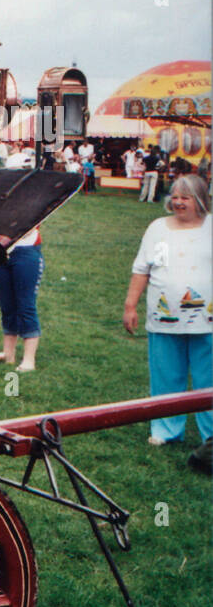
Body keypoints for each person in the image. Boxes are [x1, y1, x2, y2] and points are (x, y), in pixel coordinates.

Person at [123, 174, 212, 446]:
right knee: (165, 375)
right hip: (164, 319)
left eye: (185, 197)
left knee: (208, 379)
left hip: (207, 321)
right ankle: (165, 431)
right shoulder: (157, 228)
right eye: (174, 196)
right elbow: (141, 269)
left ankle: (211, 436)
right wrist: (130, 306)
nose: (178, 202)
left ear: (199, 200)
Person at [0, 226, 44, 371]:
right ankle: (8, 355)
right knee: (7, 307)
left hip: (27, 252)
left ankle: (29, 360)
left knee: (26, 306)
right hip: (1, 251)